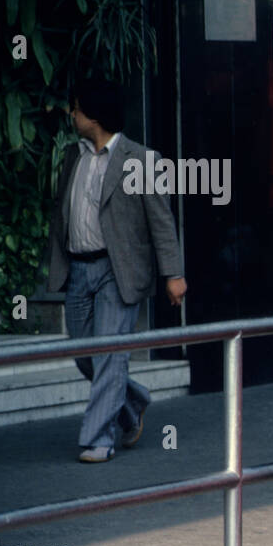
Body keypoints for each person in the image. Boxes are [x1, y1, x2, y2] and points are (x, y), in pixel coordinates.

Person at [46, 77, 187, 463]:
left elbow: (161, 221)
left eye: (76, 108)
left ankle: (97, 439)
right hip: (78, 269)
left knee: (109, 354)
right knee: (85, 356)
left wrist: (173, 274)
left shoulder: (142, 160)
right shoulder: (72, 157)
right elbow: (63, 214)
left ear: (93, 114)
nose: (72, 115)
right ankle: (134, 401)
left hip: (117, 271)